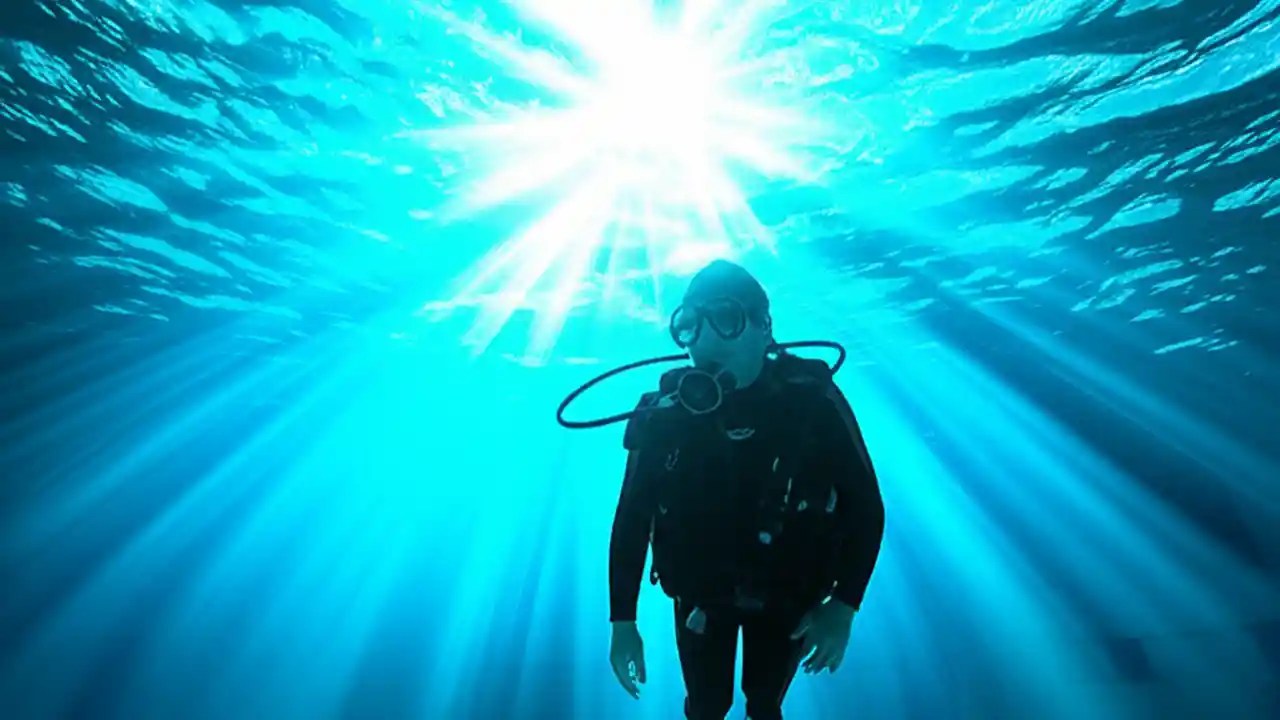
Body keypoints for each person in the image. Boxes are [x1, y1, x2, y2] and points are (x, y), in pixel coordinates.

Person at [607, 259, 887, 720]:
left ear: (764, 328)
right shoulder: (665, 418)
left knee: (764, 704)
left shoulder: (811, 403)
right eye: (689, 325)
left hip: (788, 590)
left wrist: (843, 607)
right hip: (701, 593)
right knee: (706, 707)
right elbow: (632, 517)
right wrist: (622, 620)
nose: (704, 340)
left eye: (727, 318)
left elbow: (866, 507)